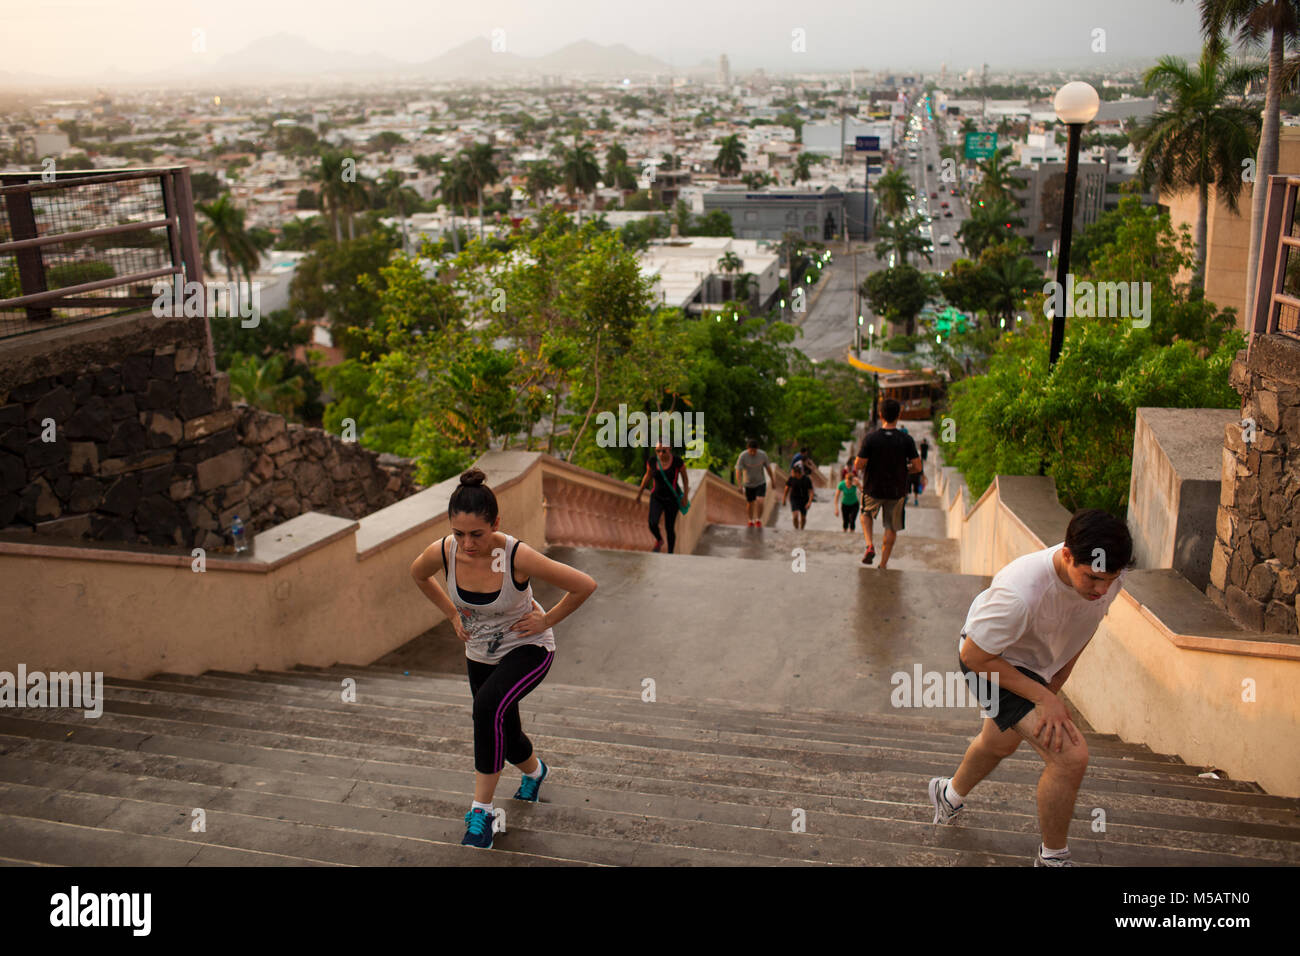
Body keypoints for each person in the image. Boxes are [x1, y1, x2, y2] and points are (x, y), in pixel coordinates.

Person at [927, 509, 1133, 868]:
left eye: (1110, 579)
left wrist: (1054, 685)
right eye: (1092, 579)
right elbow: (973, 655)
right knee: (1070, 756)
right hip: (994, 661)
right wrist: (1042, 696)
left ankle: (948, 794)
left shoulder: (1107, 576)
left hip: (1036, 666)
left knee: (999, 742)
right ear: (1067, 555)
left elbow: (1085, 628)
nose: (1102, 590)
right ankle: (1053, 858)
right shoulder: (1020, 593)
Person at [409, 468, 597, 850]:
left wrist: (546, 618)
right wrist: (450, 613)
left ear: (496, 523)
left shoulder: (516, 556)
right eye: (459, 533)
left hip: (529, 648)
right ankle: (535, 771)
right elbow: (418, 574)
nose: (467, 543)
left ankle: (482, 813)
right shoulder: (444, 551)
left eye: (477, 534)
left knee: (486, 708)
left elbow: (584, 585)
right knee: (505, 733)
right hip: (479, 651)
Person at [853, 398, 921, 570]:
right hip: (897, 490)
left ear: (880, 414)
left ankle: (869, 545)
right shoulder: (906, 440)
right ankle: (883, 564)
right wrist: (904, 470)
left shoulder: (871, 439)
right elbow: (918, 466)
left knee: (866, 514)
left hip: (872, 488)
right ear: (898, 415)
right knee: (891, 527)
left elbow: (858, 465)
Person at [636, 441, 690, 553]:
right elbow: (647, 476)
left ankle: (670, 553)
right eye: (658, 451)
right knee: (652, 523)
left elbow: (685, 479)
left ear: (669, 448)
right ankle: (659, 539)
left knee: (669, 528)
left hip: (672, 499)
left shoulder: (677, 462)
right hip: (657, 497)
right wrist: (639, 493)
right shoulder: (652, 461)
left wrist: (685, 496)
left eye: (663, 451)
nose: (660, 454)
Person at [735, 438, 776, 528]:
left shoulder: (763, 455)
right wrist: (739, 485)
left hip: (760, 482)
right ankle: (750, 520)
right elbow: (738, 471)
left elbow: (768, 468)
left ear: (758, 449)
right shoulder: (743, 456)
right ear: (747, 448)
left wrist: (773, 480)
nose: (753, 453)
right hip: (748, 484)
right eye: (751, 451)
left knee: (760, 501)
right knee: (750, 503)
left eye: (755, 451)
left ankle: (758, 520)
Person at [782, 461, 813, 529]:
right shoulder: (791, 478)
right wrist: (784, 499)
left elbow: (811, 491)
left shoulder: (807, 479)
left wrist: (809, 502)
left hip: (804, 499)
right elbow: (786, 488)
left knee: (803, 518)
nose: (791, 473)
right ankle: (796, 529)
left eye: (792, 472)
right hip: (794, 499)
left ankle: (801, 529)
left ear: (797, 473)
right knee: (795, 516)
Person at [835, 465, 861, 532]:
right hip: (845, 504)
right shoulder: (841, 484)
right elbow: (836, 496)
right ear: (845, 479)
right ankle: (845, 532)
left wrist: (858, 484)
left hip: (854, 504)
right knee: (845, 521)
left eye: (850, 482)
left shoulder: (854, 484)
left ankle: (852, 532)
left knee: (852, 520)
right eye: (847, 482)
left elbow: (863, 491)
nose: (848, 484)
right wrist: (836, 509)